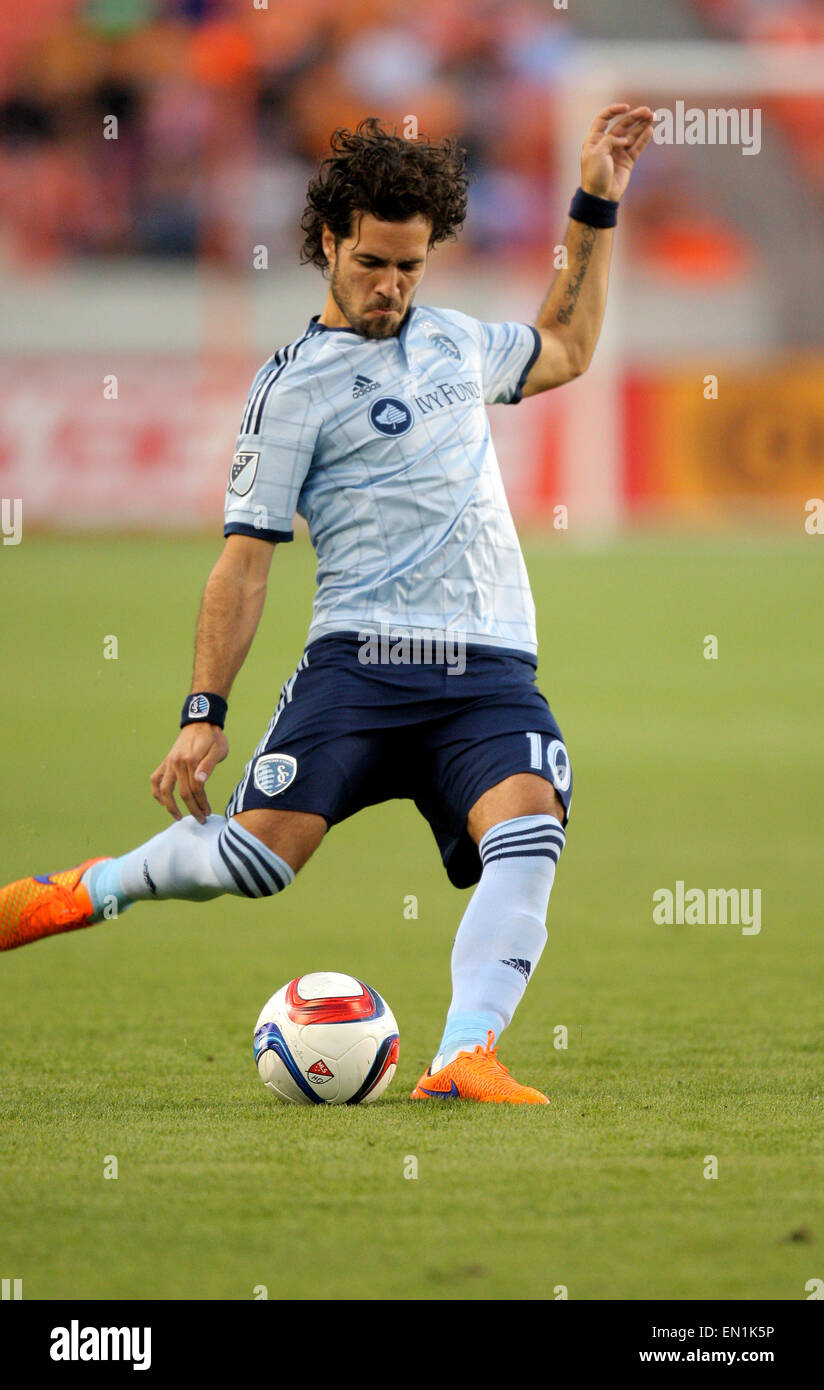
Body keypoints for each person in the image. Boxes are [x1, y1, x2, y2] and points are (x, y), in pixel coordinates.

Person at [0, 108, 654, 1104]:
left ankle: (462, 1054)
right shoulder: (290, 392)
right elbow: (243, 564)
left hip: (487, 670)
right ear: (328, 246)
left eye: (409, 265)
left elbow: (563, 344)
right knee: (254, 863)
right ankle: (79, 891)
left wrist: (594, 198)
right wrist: (200, 714)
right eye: (372, 264)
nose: (391, 285)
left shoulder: (453, 342)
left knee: (530, 825)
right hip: (362, 664)